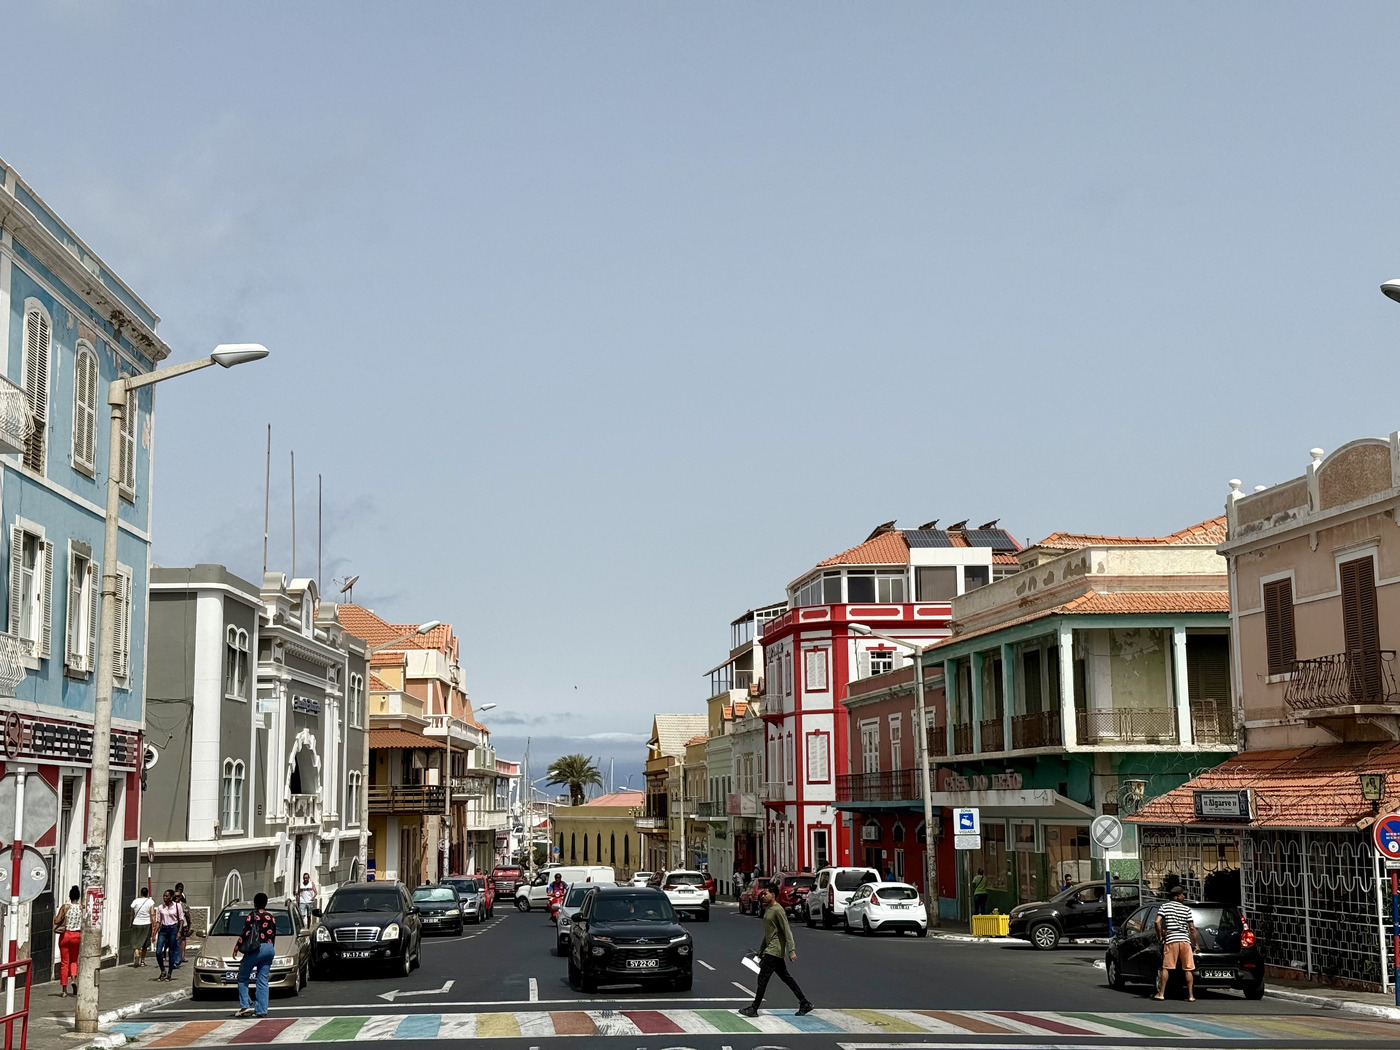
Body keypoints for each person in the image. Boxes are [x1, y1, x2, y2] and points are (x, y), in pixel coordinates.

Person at [738, 886, 812, 1018]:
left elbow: (786, 930)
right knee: (785, 977)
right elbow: (768, 933)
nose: (762, 896)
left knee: (763, 978)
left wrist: (791, 950)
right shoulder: (769, 909)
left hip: (774, 950)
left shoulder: (778, 910)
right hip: (771, 949)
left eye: (765, 894)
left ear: (773, 894)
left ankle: (754, 1008)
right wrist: (761, 948)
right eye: (762, 894)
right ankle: (804, 1002)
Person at [233, 892, 278, 1018]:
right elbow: (274, 934)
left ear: (255, 903)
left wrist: (237, 947)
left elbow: (246, 933)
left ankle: (245, 1005)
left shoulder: (252, 916)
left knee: (243, 976)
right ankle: (262, 1010)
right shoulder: (271, 917)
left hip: (257, 948)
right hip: (269, 948)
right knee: (263, 980)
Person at [1154, 886, 1199, 1002]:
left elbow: (1157, 921)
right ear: (1178, 896)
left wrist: (1159, 936)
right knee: (1188, 968)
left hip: (1171, 940)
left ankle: (1161, 993)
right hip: (1185, 941)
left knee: (1166, 967)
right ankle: (1190, 996)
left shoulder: (1165, 907)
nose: (1184, 897)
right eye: (1183, 895)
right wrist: (1196, 944)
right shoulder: (1186, 909)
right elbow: (1192, 928)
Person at [53, 886, 82, 997]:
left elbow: (57, 920)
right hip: (76, 936)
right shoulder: (81, 908)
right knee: (74, 960)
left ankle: (64, 990)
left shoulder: (65, 907)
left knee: (64, 963)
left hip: (65, 935)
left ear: (70, 896)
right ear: (78, 897)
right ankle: (73, 979)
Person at [154, 889, 185, 981]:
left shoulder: (177, 906)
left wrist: (179, 932)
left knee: (171, 952)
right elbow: (158, 921)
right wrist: (154, 933)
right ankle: (163, 971)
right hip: (163, 929)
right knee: (158, 951)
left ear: (171, 897)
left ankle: (170, 973)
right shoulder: (160, 907)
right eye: (164, 896)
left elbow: (181, 919)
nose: (165, 898)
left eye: (167, 896)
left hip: (173, 929)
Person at [130, 887, 155, 968]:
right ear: (147, 893)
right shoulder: (150, 902)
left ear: (140, 893)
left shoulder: (135, 901)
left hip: (136, 923)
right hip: (147, 923)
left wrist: (130, 923)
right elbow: (152, 913)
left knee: (136, 941)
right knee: (145, 943)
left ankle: (137, 953)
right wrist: (153, 924)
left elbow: (132, 914)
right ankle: (142, 960)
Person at [173, 882, 190, 968]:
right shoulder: (170, 904)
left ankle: (181, 957)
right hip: (173, 925)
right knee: (175, 942)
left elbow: (187, 914)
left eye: (182, 888)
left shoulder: (183, 900)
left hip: (182, 925)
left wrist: (188, 925)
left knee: (181, 941)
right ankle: (176, 958)